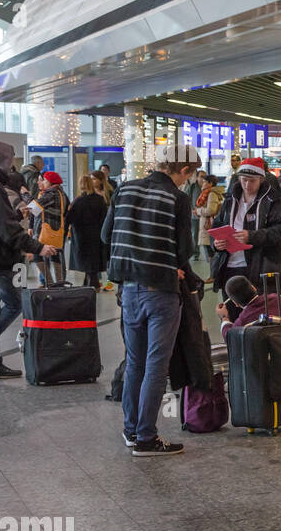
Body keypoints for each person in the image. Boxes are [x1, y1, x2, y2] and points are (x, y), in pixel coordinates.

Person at [102, 144, 198, 456]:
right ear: (182, 170)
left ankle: (131, 431)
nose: (187, 181)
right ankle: (146, 437)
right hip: (161, 291)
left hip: (128, 289)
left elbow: (106, 235)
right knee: (157, 366)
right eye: (189, 174)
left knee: (135, 363)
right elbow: (185, 250)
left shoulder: (125, 190)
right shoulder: (177, 198)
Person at [0, 141, 57, 379]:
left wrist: (18, 214)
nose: (10, 166)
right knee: (15, 302)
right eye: (9, 161)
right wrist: (38, 247)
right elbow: (7, 230)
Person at [210, 158, 281, 317]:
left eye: (252, 181)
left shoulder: (273, 200)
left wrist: (252, 236)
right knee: (232, 315)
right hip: (230, 267)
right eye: (244, 180)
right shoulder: (230, 200)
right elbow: (217, 225)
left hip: (259, 268)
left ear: (261, 179)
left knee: (258, 317)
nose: (247, 185)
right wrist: (216, 243)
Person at [216, 275, 281, 381]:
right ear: (253, 288)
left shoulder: (244, 320)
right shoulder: (277, 298)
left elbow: (229, 336)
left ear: (235, 303)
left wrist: (224, 317)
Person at [65, 174, 109, 290]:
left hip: (81, 236)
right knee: (93, 262)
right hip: (96, 235)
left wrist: (64, 233)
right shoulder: (100, 200)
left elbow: (69, 219)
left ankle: (91, 285)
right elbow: (105, 218)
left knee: (86, 262)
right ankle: (91, 284)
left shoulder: (78, 201)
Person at [32, 171, 69, 285]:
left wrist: (25, 194)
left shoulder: (51, 193)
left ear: (50, 182)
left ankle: (51, 283)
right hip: (56, 230)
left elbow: (33, 208)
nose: (42, 182)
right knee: (55, 256)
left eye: (44, 180)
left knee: (37, 256)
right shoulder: (61, 193)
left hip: (47, 231)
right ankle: (59, 284)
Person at [193, 174, 224, 267]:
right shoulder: (207, 193)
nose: (202, 183)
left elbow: (211, 210)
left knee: (210, 250)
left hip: (209, 224)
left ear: (210, 183)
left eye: (205, 181)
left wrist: (198, 211)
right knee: (209, 249)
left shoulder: (211, 194)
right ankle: (213, 273)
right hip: (207, 223)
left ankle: (213, 274)